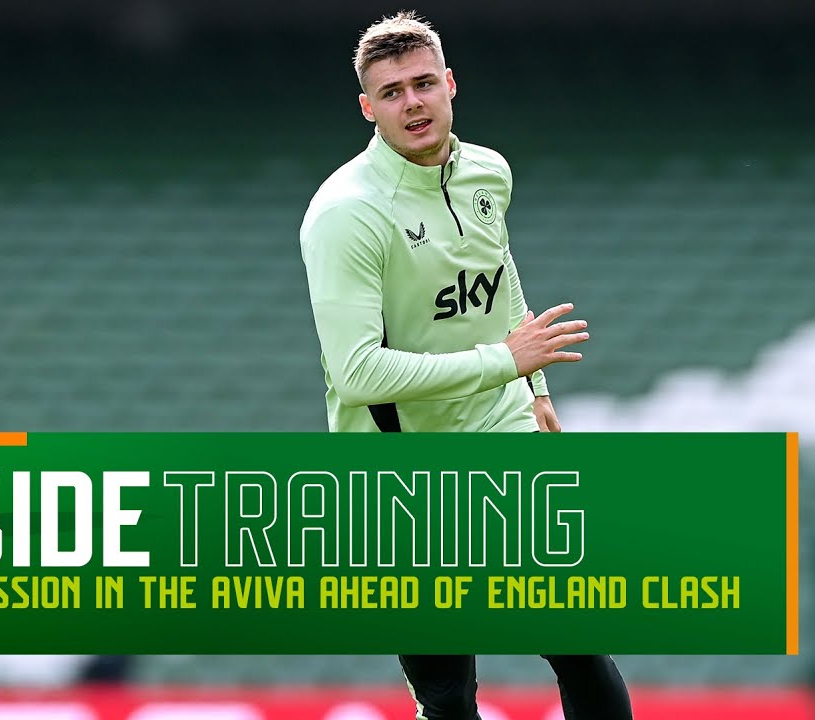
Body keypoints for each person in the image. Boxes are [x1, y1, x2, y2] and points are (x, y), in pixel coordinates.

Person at [298, 11, 632, 720]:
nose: (412, 102)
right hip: (399, 466)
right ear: (367, 107)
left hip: (499, 433)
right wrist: (502, 360)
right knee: (448, 695)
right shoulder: (348, 214)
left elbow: (498, 268)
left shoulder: (487, 171)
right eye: (391, 92)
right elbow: (357, 374)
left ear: (450, 84)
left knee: (578, 641)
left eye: (423, 83)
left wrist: (532, 385)